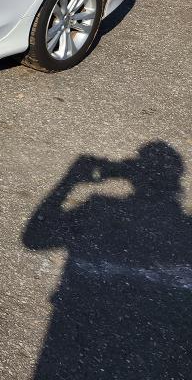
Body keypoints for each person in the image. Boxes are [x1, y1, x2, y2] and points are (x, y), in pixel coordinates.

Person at [24, 142, 192, 379]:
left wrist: (70, 180)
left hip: (78, 349)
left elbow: (35, 236)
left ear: (132, 174)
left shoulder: (99, 211)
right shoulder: (187, 231)